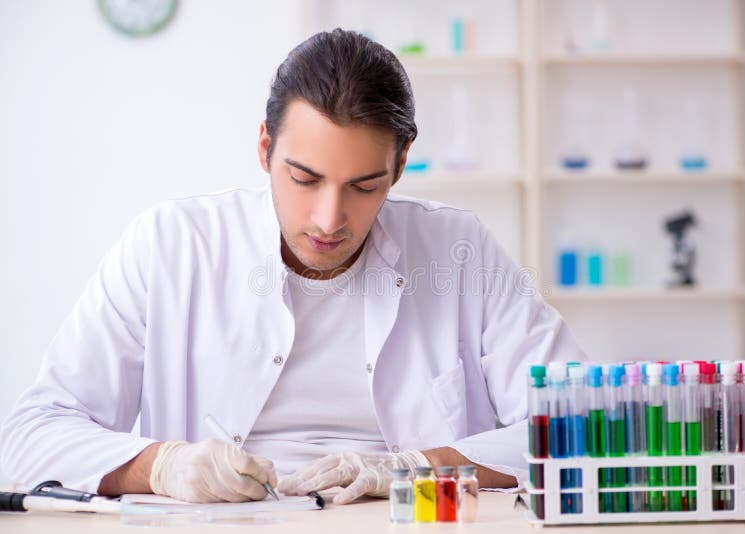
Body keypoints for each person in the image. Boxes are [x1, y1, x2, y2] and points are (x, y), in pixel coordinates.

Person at [0, 29, 583, 505]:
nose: (329, 219)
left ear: (401, 165)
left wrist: (416, 468)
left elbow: (577, 423)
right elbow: (28, 438)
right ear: (264, 149)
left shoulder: (458, 250)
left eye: (364, 186)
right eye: (304, 179)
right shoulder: (171, 246)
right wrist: (161, 466)